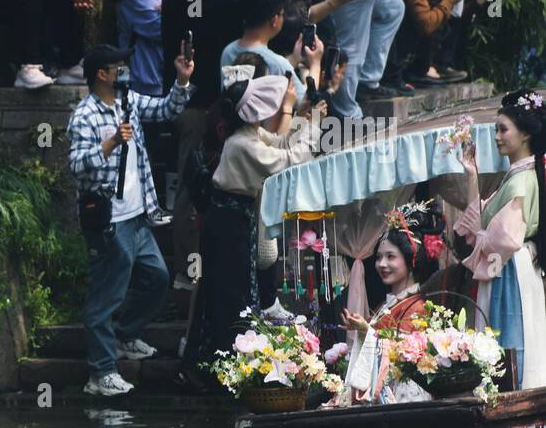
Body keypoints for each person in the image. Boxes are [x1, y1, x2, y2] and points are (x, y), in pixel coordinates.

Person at [68, 42, 195, 397]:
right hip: (109, 220)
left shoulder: (129, 101)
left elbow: (168, 108)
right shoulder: (84, 115)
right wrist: (108, 145)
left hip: (139, 216)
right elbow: (76, 165)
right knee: (105, 298)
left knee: (157, 277)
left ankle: (126, 336)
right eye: (117, 66)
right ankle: (101, 373)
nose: (124, 69)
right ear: (101, 74)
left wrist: (182, 82)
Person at [185, 74, 323, 375]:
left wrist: (304, 117)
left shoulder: (250, 135)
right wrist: (311, 126)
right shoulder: (241, 144)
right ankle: (223, 364)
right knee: (230, 295)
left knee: (236, 291)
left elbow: (283, 143)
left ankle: (225, 362)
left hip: (236, 218)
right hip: (227, 222)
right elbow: (290, 160)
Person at [161, 0, 267, 290]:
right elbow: (233, 4)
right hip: (191, 109)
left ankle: (203, 268)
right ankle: (187, 273)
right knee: (190, 191)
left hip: (205, 106)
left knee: (206, 190)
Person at [454, 89, 545, 389]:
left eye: (503, 129)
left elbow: (503, 239)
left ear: (526, 134)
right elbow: (480, 222)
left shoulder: (521, 180)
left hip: (509, 271)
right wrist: (472, 174)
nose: (496, 136)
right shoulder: (518, 175)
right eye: (496, 130)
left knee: (509, 344)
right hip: (506, 268)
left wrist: (480, 234)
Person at [337, 205, 443, 404]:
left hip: (405, 396)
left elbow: (401, 354)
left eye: (390, 257)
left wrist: (366, 330)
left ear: (411, 259)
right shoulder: (384, 306)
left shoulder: (418, 307)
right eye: (378, 257)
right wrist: (362, 331)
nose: (381, 264)